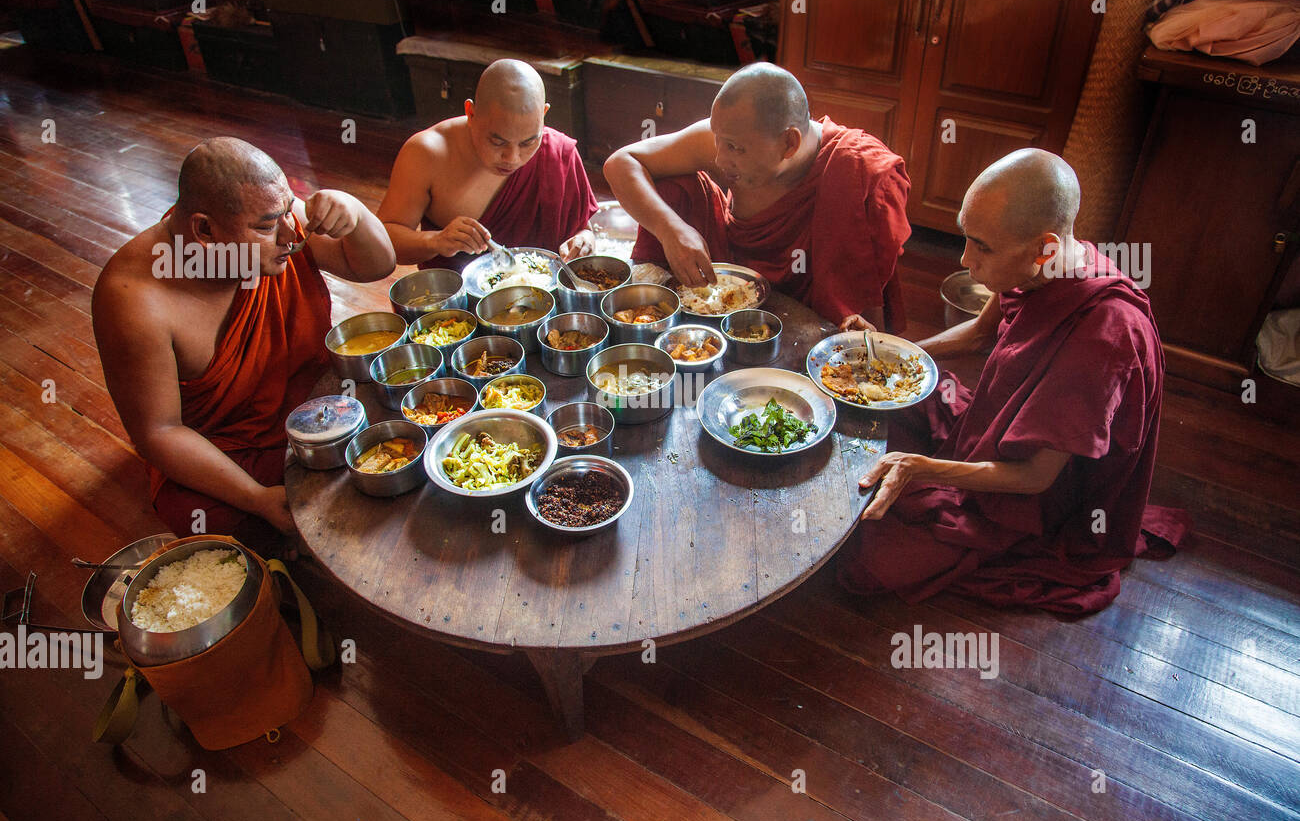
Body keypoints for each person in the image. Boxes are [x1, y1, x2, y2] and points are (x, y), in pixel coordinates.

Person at [837, 148, 1186, 614]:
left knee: (865, 564)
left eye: (982, 246)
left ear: (1045, 247)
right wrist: (889, 351)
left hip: (1033, 496)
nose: (965, 258)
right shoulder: (1044, 264)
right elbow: (982, 333)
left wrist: (920, 467)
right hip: (993, 424)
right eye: (967, 237)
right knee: (864, 400)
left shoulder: (1103, 335)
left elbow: (1035, 477)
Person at [92, 137, 397, 549]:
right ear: (204, 230)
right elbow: (160, 431)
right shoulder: (134, 298)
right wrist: (256, 499)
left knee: (400, 412)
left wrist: (355, 213)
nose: (293, 233)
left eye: (290, 210)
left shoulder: (278, 223)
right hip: (228, 445)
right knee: (220, 529)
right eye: (268, 226)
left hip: (317, 400)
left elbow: (378, 265)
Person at [603, 62, 911, 333]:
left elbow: (864, 288)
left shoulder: (859, 170)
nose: (720, 159)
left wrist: (865, 336)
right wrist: (671, 230)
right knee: (672, 186)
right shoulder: (727, 138)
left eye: (735, 148)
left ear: (790, 143)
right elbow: (621, 163)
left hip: (814, 307)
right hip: (723, 274)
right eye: (718, 139)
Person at [379, 58, 598, 269]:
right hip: (460, 301)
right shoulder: (426, 153)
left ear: (544, 114)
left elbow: (581, 229)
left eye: (528, 142)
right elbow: (384, 240)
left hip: (545, 295)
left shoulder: (559, 151)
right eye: (497, 141)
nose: (512, 158)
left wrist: (583, 241)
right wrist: (436, 241)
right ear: (470, 113)